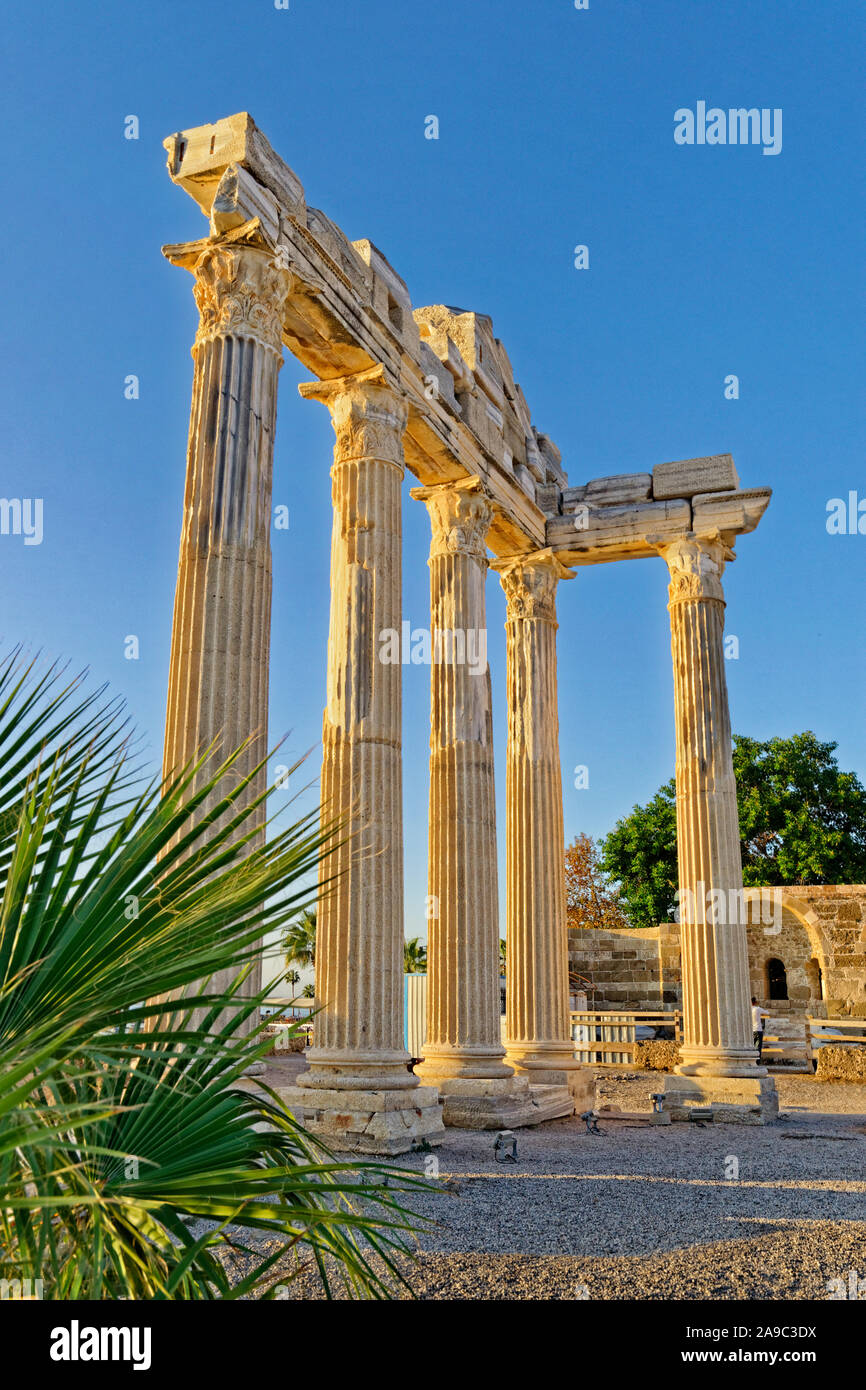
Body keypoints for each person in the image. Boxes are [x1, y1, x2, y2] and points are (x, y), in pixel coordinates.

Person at [751, 996, 769, 1062]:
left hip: (751, 1031)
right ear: (755, 1002)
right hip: (758, 1029)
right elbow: (767, 1013)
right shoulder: (757, 1009)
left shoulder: (748, 1009)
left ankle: (753, 1060)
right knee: (758, 1046)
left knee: (753, 1046)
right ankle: (757, 1061)